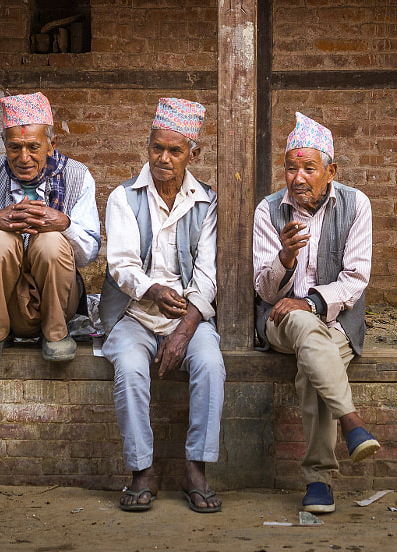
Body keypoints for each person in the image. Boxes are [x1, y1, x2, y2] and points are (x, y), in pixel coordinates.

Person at [100, 98, 225, 514]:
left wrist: (186, 330)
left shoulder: (207, 202)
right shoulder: (124, 197)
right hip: (135, 315)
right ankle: (142, 470)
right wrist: (152, 290)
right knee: (131, 369)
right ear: (147, 145)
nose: (164, 158)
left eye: (175, 150)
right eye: (157, 148)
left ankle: (195, 468)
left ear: (194, 153)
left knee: (210, 364)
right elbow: (121, 265)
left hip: (186, 317)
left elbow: (207, 276)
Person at [252, 112, 379, 514]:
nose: (298, 177)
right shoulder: (268, 211)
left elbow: (356, 278)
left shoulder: (356, 205)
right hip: (278, 322)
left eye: (309, 168)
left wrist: (311, 302)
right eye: (292, 167)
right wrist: (285, 257)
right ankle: (351, 422)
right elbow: (264, 289)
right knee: (303, 327)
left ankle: (319, 480)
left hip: (338, 323)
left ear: (331, 171)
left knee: (311, 365)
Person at [0, 91, 100, 367]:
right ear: (3, 143)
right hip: (1, 305)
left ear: (51, 144)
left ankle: (55, 335)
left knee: (50, 241)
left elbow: (89, 254)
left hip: (57, 305)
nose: (24, 157)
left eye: (33, 146)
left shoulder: (78, 176)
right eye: (15, 147)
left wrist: (64, 224)